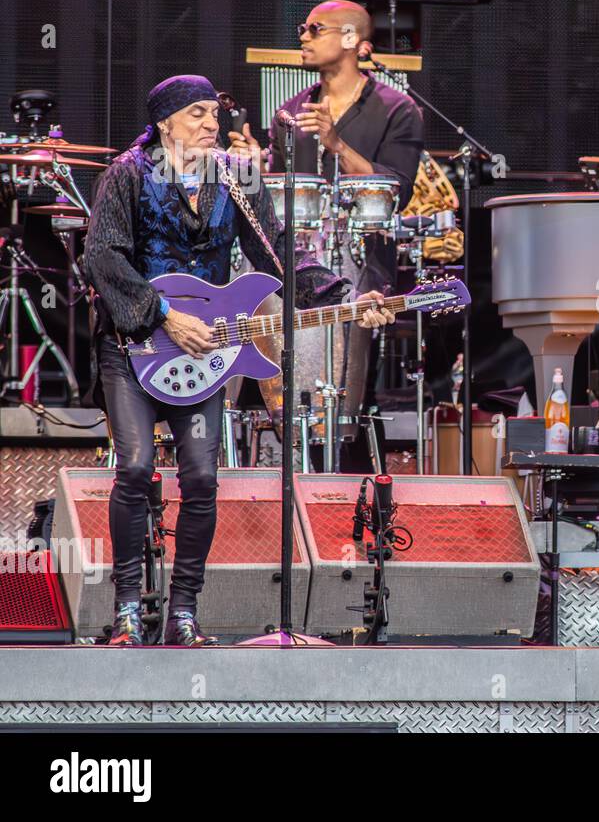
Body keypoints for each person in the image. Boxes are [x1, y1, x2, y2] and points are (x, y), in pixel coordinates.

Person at [84, 75, 394, 647]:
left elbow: (279, 253)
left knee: (201, 478)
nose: (212, 125)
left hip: (206, 351)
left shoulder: (236, 175)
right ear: (165, 122)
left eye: (215, 114)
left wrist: (347, 301)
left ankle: (183, 612)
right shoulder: (127, 173)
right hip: (135, 345)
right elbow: (102, 259)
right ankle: (128, 607)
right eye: (198, 114)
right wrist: (162, 316)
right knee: (133, 467)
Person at [229, 0, 423, 468]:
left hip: (363, 265)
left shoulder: (399, 109)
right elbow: (274, 206)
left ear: (353, 40)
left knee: (348, 400)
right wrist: (254, 170)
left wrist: (336, 144)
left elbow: (397, 189)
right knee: (286, 381)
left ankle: (349, 499)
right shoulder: (290, 111)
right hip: (298, 265)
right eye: (304, 28)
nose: (304, 35)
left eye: (316, 28)